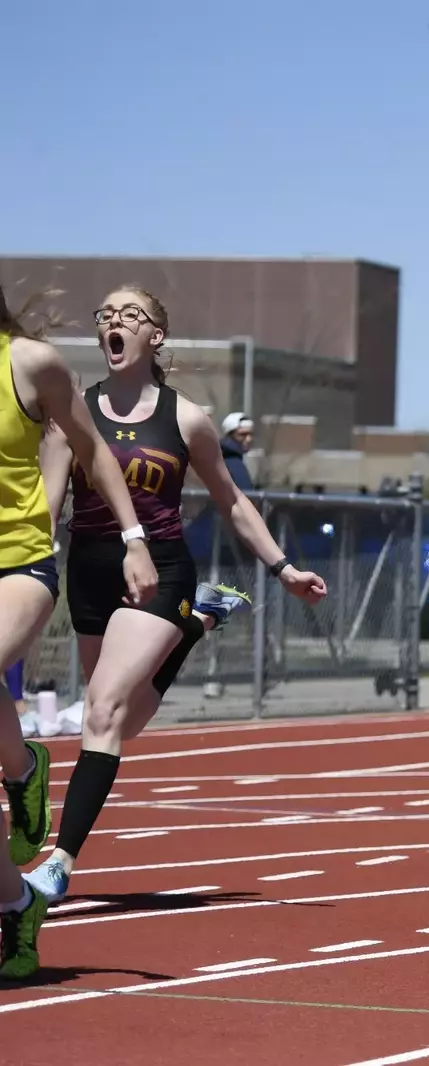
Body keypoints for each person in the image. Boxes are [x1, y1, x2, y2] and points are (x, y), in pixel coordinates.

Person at [23, 287, 327, 907]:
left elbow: (232, 501)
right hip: (90, 574)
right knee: (118, 723)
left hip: (160, 573)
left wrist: (283, 567)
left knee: (104, 708)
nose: (114, 322)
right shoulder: (70, 417)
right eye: (104, 314)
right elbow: (48, 511)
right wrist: (28, 572)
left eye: (129, 315)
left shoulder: (186, 419)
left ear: (155, 336)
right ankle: (194, 630)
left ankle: (59, 862)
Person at [0, 284, 157, 978]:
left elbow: (93, 451)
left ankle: (23, 769)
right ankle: (14, 903)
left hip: (17, 567)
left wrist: (133, 537)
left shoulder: (31, 364)